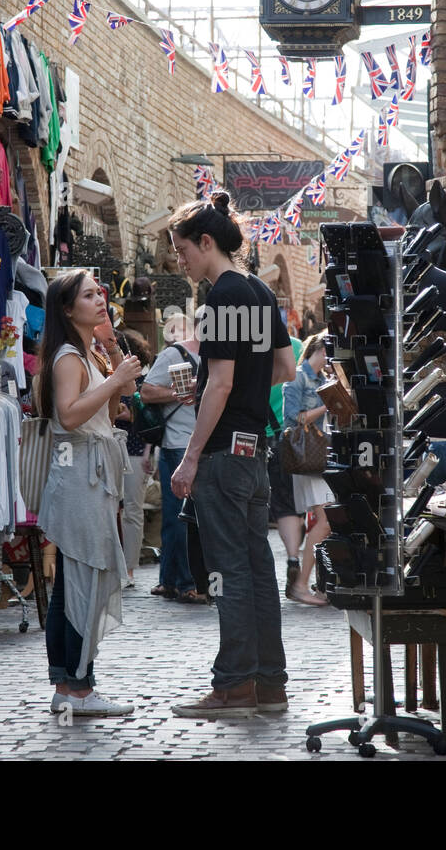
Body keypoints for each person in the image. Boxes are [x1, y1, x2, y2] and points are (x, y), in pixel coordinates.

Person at [167, 191, 297, 718]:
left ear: (206, 242)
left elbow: (218, 383)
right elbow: (287, 368)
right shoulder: (260, 293)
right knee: (257, 569)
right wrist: (244, 384)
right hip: (255, 451)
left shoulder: (220, 298)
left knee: (228, 572)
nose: (178, 261)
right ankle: (270, 684)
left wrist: (190, 456)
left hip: (223, 454)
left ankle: (233, 684)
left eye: (181, 250)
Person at [35, 270, 141, 717]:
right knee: (81, 584)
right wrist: (113, 381)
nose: (100, 301)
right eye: (89, 295)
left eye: (100, 294)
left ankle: (68, 684)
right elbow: (69, 415)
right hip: (78, 476)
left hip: (90, 476)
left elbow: (124, 400)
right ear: (66, 308)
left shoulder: (88, 352)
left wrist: (113, 351)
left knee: (74, 585)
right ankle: (79, 689)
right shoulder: (67, 358)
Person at [140, 313, 206, 604]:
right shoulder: (174, 354)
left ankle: (168, 579)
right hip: (178, 444)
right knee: (180, 519)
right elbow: (146, 392)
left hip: (203, 444)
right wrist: (180, 392)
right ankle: (185, 581)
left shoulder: (223, 356)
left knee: (182, 518)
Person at [281, 332, 335, 606]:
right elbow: (291, 418)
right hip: (305, 457)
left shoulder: (324, 380)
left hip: (318, 457)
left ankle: (314, 583)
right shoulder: (298, 377)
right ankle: (300, 584)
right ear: (320, 349)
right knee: (324, 522)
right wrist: (327, 404)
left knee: (326, 522)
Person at [114, 328, 154, 588]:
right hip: (114, 448)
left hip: (136, 450)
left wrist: (150, 452)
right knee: (115, 510)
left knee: (131, 511)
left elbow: (145, 419)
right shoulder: (112, 378)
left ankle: (128, 568)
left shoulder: (141, 383)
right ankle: (117, 566)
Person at [267, 334, 305, 597]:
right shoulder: (295, 345)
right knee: (301, 500)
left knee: (282, 503)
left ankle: (292, 557)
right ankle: (298, 556)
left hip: (262, 432)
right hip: (295, 436)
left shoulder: (248, 342)